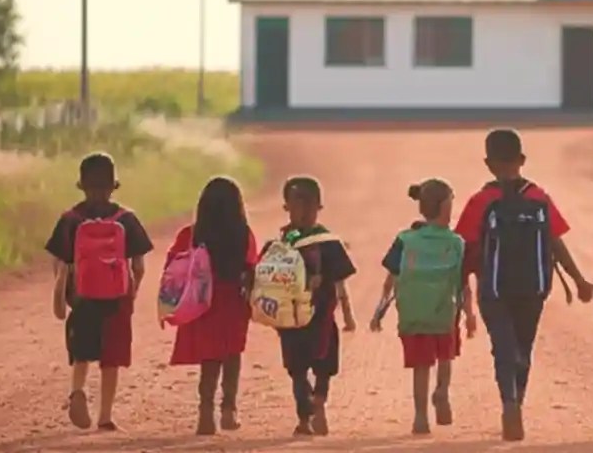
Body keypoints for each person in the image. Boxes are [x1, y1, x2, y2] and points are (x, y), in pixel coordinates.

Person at [453, 128, 593, 441]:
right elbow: (555, 242)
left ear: (488, 163)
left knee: (502, 346)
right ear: (522, 160)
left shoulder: (481, 200)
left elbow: (465, 248)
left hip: (493, 288)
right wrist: (579, 280)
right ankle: (520, 398)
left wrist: (457, 289)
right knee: (523, 347)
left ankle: (509, 402)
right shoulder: (538, 197)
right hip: (533, 287)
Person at [46, 152, 154, 432]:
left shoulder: (70, 219)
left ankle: (78, 390)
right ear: (113, 185)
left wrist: (63, 290)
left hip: (82, 297)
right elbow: (139, 265)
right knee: (111, 358)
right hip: (117, 297)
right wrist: (132, 291)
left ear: (81, 184)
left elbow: (59, 261)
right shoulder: (126, 218)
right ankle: (105, 416)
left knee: (82, 352)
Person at [370, 179, 476, 435]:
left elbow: (391, 279)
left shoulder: (405, 240)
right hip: (444, 313)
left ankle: (420, 417)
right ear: (446, 207)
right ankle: (441, 391)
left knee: (420, 366)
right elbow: (463, 284)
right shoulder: (456, 243)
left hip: (413, 313)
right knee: (446, 357)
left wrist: (379, 311)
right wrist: (469, 313)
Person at [166, 176, 258, 435]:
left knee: (210, 358)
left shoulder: (192, 233)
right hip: (233, 302)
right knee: (232, 355)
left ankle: (205, 411)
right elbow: (252, 265)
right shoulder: (243, 234)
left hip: (202, 303)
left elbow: (174, 263)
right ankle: (229, 408)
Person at [272, 176, 357, 437]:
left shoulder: (319, 241)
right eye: (299, 205)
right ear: (286, 207)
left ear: (319, 206)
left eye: (309, 205)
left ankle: (316, 406)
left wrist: (348, 314)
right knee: (300, 371)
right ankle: (304, 417)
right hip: (294, 319)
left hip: (318, 318)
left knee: (321, 368)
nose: (304, 211)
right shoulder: (286, 242)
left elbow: (340, 282)